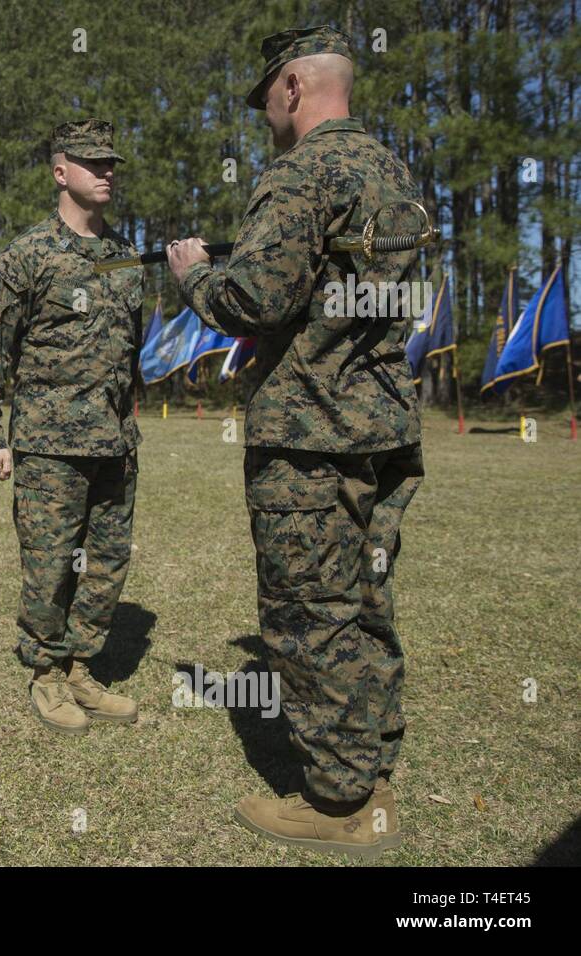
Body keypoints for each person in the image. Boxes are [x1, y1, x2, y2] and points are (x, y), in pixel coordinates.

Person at [167, 25, 424, 860]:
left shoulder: (301, 172)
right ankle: (373, 754)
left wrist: (193, 276)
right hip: (382, 426)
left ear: (290, 89)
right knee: (365, 599)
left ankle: (341, 799)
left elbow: (256, 301)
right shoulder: (392, 173)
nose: (266, 120)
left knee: (308, 615)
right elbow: (364, 293)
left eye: (265, 103)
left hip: (309, 435)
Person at [0, 119, 142, 737]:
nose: (107, 172)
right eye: (93, 163)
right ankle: (44, 671)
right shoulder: (27, 255)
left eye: (111, 162)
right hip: (48, 445)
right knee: (49, 563)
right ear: (61, 172)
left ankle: (80, 666)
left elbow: (130, 351)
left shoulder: (126, 256)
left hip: (114, 442)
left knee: (109, 561)